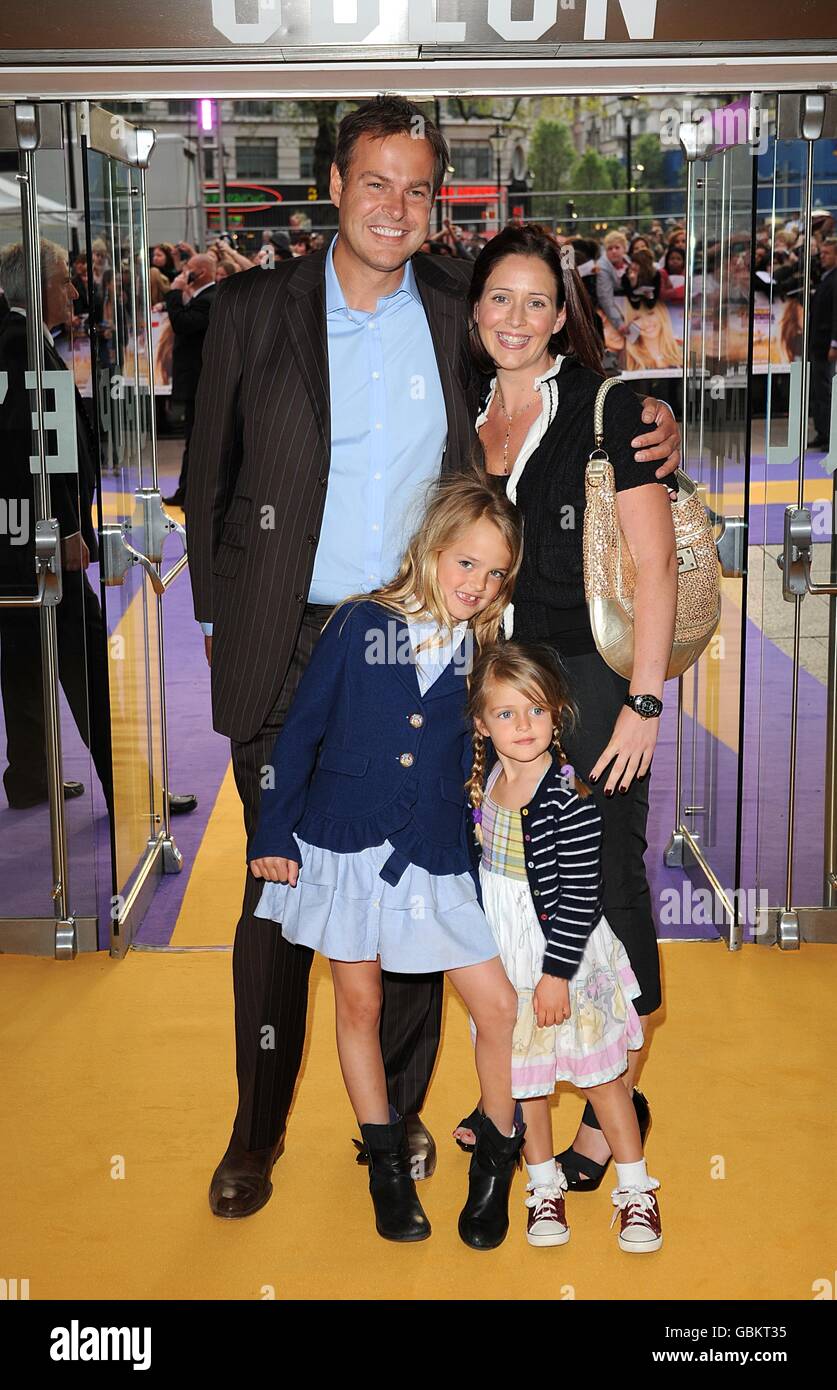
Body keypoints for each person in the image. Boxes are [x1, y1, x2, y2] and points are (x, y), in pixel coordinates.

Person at [187, 96, 682, 1222]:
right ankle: (253, 1132)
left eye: (418, 187)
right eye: (376, 181)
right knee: (278, 900)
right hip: (293, 643)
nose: (396, 206)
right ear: (334, 183)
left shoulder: (460, 301)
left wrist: (653, 426)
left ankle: (401, 1115)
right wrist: (234, 632)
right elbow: (204, 488)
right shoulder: (254, 313)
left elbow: (572, 363)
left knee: (417, 884)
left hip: (429, 642)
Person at [248, 476, 525, 1248]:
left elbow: (505, 741)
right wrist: (273, 832)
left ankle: (495, 1164)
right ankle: (384, 1166)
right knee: (359, 1006)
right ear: (430, 550)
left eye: (494, 572)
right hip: (345, 843)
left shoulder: (484, 652)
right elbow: (298, 734)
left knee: (498, 1007)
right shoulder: (359, 623)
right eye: (464, 563)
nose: (476, 584)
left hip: (435, 852)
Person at [461, 221, 678, 1194]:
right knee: (518, 891)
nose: (516, 317)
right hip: (499, 693)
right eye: (499, 298)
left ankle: (614, 1103)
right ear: (475, 311)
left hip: (593, 692)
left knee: (604, 886)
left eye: (536, 300)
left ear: (563, 314)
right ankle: (539, 1076)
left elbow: (655, 563)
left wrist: (645, 702)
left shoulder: (611, 403)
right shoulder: (464, 418)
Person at [462, 641, 662, 1252]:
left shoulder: (569, 793)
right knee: (526, 1082)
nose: (523, 727)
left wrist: (555, 974)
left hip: (564, 958)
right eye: (505, 714)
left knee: (602, 1078)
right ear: (480, 723)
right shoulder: (487, 781)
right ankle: (543, 1184)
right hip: (506, 958)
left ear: (558, 714)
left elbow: (580, 897)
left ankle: (636, 1191)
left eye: (536, 711)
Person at [0, 238, 113, 813]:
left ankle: (29, 776)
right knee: (85, 662)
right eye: (66, 279)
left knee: (22, 658)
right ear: (40, 286)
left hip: (14, 539)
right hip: (41, 540)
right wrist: (67, 527)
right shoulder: (23, 347)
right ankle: (129, 794)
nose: (74, 291)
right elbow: (37, 449)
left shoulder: (14, 340)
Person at [161, 253, 218, 510]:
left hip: (201, 382)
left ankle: (195, 494)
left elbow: (183, 324)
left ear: (202, 272)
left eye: (190, 269)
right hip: (194, 381)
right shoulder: (200, 298)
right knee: (192, 440)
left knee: (199, 441)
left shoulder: (209, 299)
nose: (184, 273)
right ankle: (186, 491)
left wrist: (174, 295)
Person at [809, 235, 837, 451]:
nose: (822, 258)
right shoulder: (826, 277)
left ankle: (830, 435)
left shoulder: (835, 280)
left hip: (827, 343)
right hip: (817, 343)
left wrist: (834, 344)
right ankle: (822, 431)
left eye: (826, 254)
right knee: (818, 390)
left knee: (826, 390)